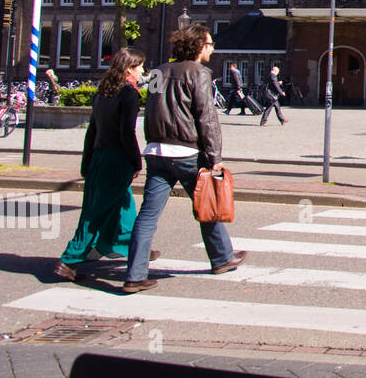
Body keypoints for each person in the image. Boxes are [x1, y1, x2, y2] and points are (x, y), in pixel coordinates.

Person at [123, 24, 245, 293]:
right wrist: (215, 157)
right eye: (210, 44)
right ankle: (222, 258)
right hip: (186, 153)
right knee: (206, 205)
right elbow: (206, 117)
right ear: (199, 47)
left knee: (147, 217)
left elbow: (151, 109)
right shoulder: (199, 74)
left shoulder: (156, 72)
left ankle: (134, 274)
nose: (212, 48)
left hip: (156, 151)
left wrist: (153, 141)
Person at [54, 49, 157, 281]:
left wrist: (87, 160)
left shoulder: (102, 92)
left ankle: (135, 247)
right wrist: (136, 160)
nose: (143, 70)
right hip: (116, 158)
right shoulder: (129, 94)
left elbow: (93, 130)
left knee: (124, 205)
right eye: (140, 66)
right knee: (96, 213)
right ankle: (69, 259)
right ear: (128, 68)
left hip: (99, 156)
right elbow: (126, 132)